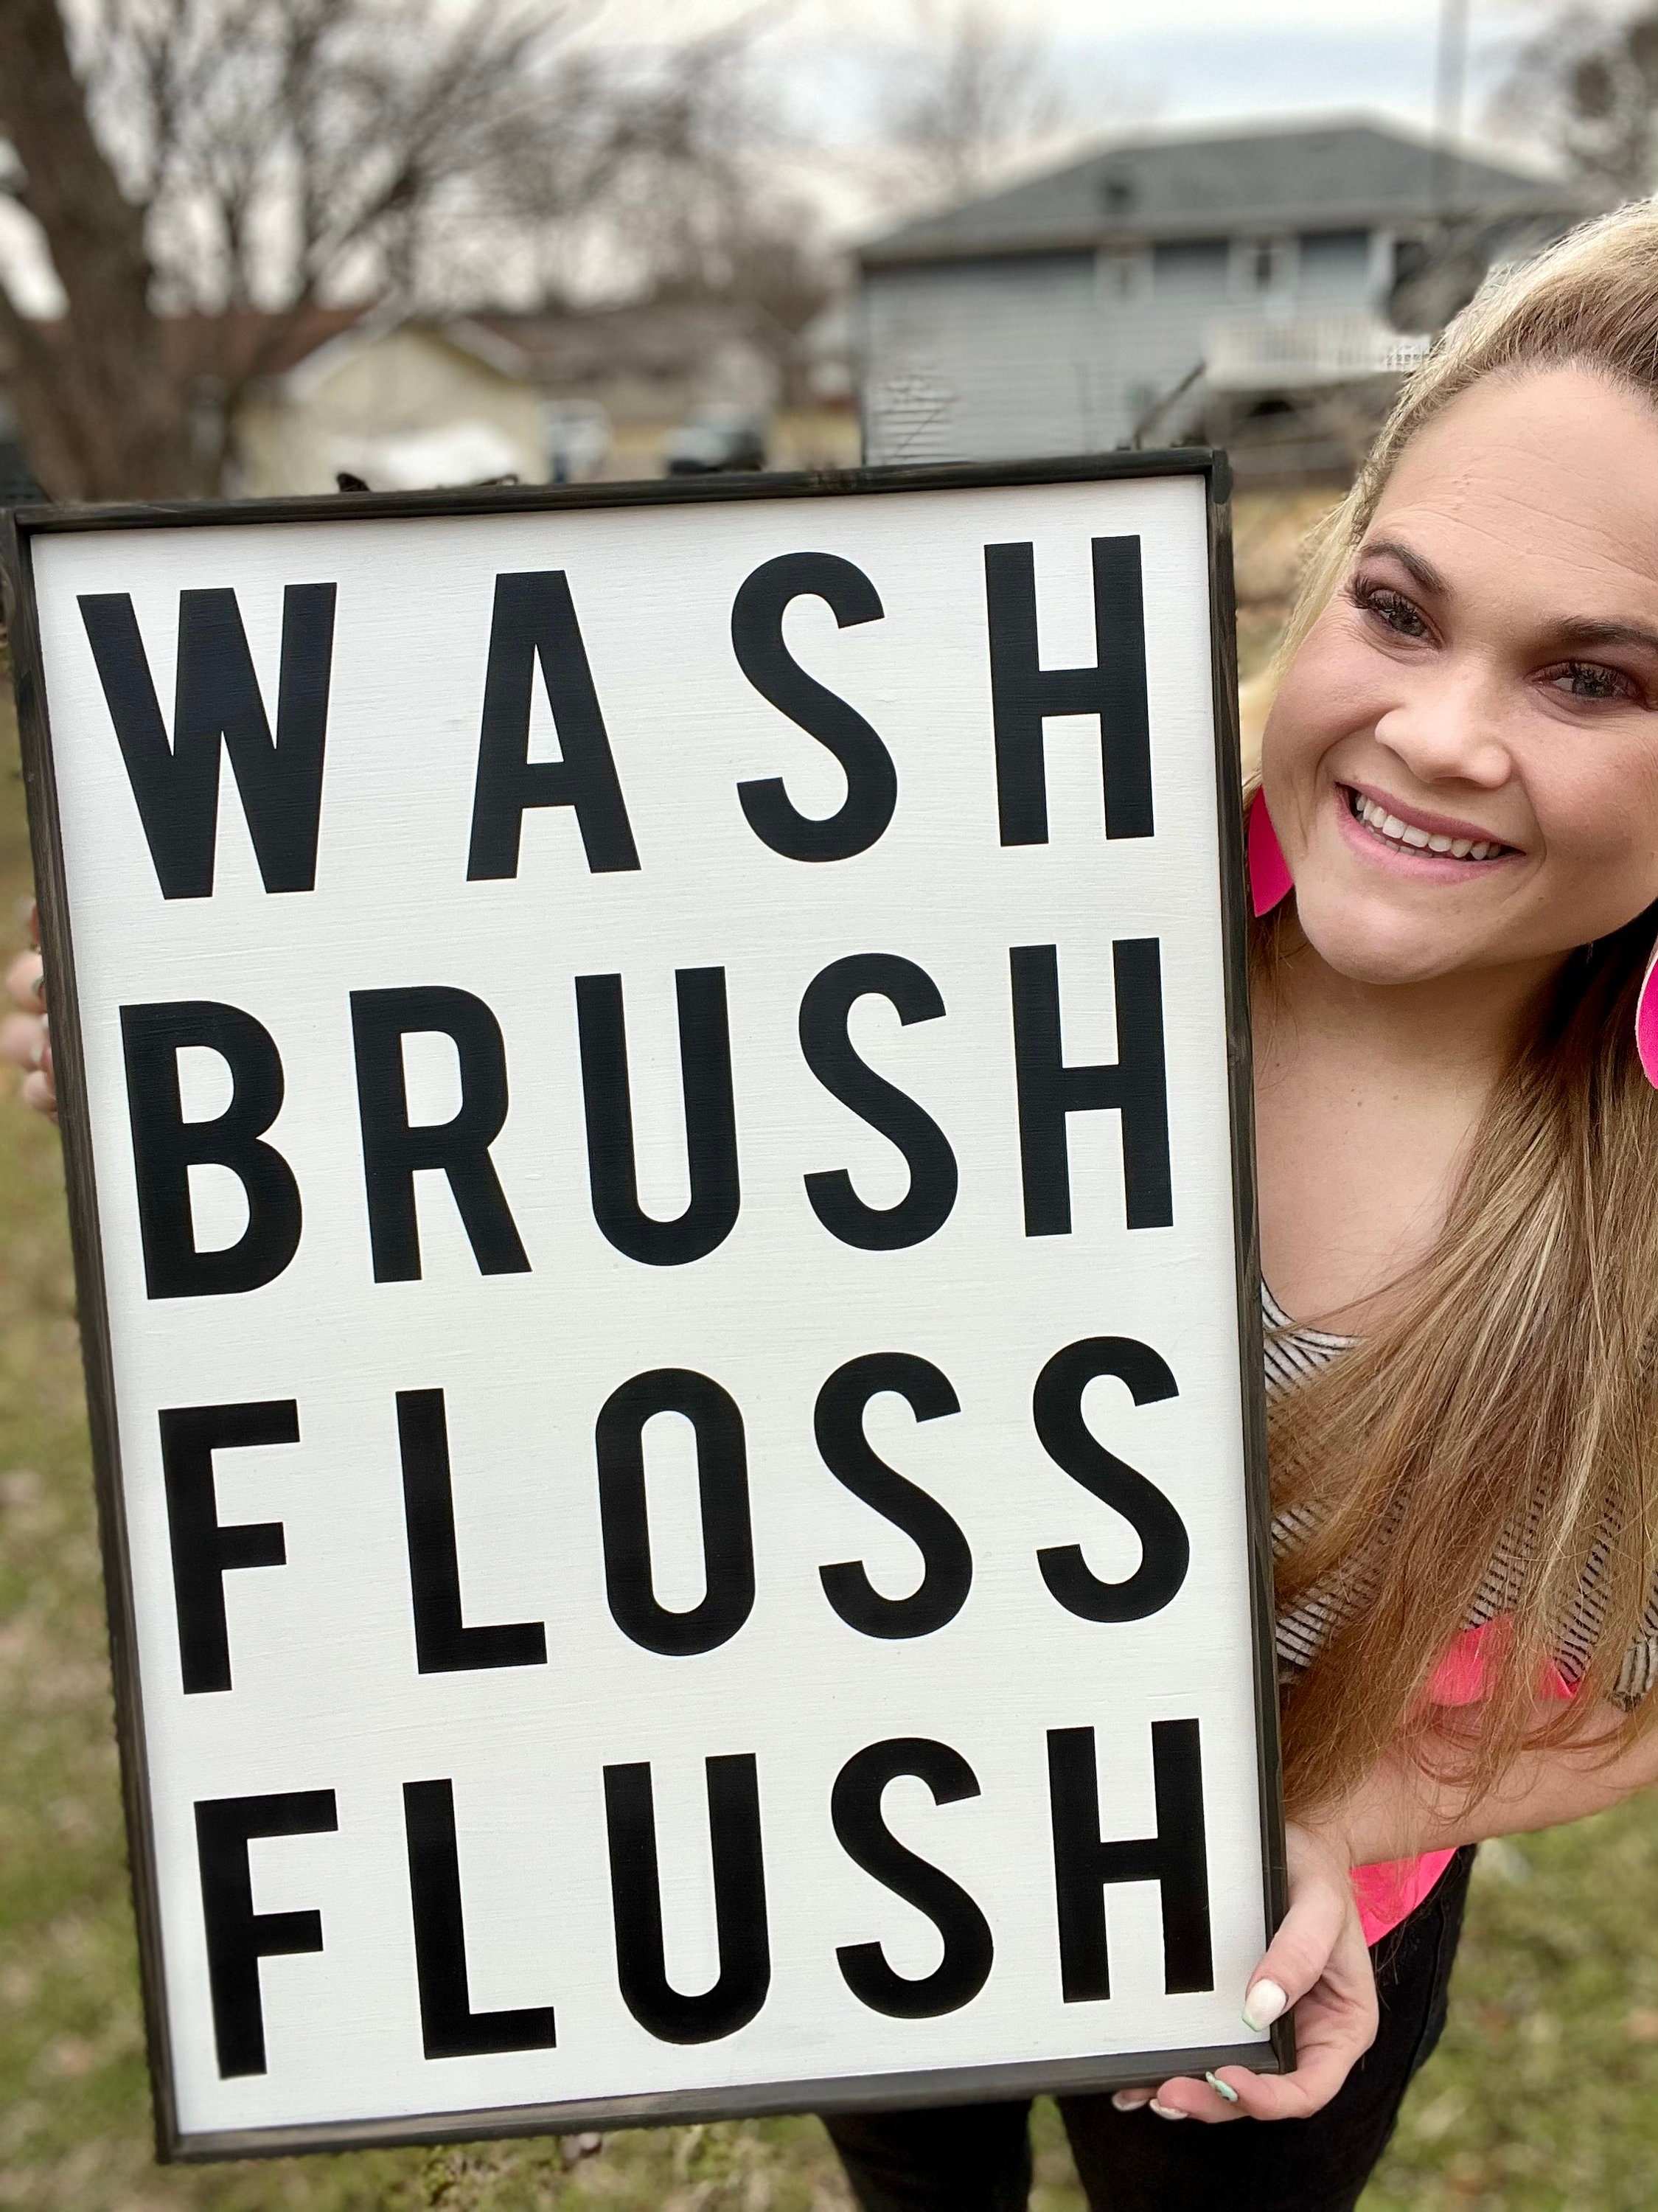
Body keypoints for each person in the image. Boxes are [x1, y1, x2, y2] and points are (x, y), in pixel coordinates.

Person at [13, 204, 1658, 2212]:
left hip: (1280, 1934)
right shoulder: (982, 904)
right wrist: (238, 1040)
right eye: (1396, 611)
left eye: (1592, 679)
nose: (1436, 731)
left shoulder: (1629, 1195)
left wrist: (1349, 1813)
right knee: (916, 2174)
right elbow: (578, 1115)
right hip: (858, 1829)